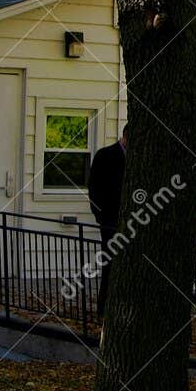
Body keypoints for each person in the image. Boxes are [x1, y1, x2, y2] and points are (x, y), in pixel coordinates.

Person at [87, 122, 129, 315]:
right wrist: (100, 215)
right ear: (126, 136)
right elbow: (94, 187)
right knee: (109, 265)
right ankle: (104, 309)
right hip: (110, 220)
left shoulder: (138, 158)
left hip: (134, 220)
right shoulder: (105, 155)